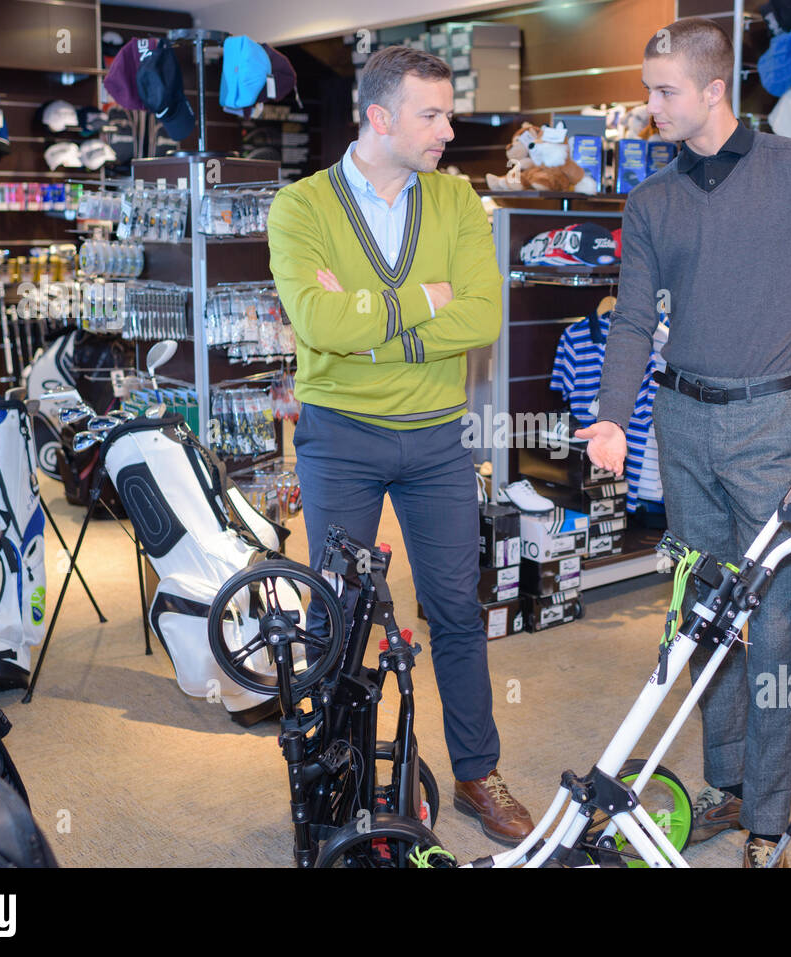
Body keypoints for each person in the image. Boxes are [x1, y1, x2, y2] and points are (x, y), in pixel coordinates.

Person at [579, 18, 791, 867]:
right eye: (648, 88)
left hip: (767, 427)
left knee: (770, 627)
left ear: (712, 90)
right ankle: (728, 784)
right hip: (679, 422)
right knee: (703, 621)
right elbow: (629, 322)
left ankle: (769, 817)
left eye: (664, 90)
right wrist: (612, 416)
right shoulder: (652, 198)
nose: (650, 104)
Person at [267, 45, 534, 846]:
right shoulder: (301, 208)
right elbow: (318, 326)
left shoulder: (457, 202)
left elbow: (480, 317)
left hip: (437, 439)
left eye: (448, 113)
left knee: (457, 608)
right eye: (432, 114)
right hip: (337, 439)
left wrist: (370, 328)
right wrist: (422, 304)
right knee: (340, 619)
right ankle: (341, 777)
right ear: (379, 117)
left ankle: (478, 773)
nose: (448, 130)